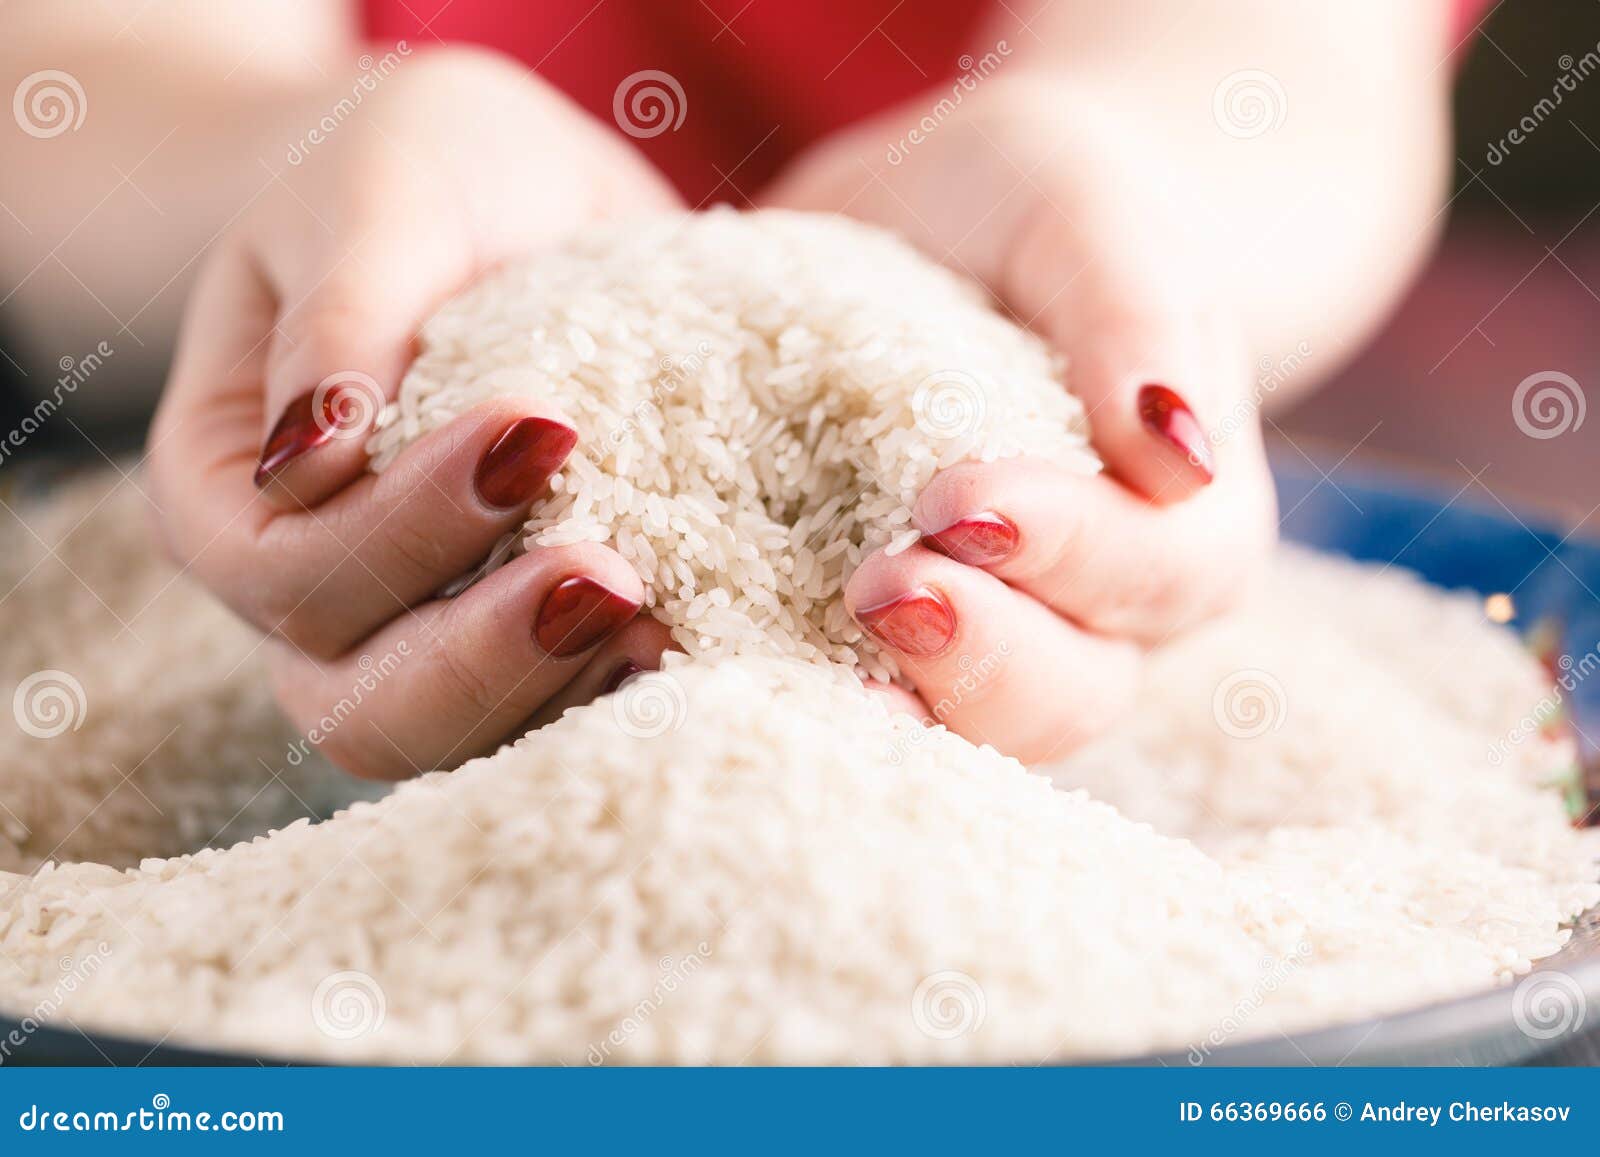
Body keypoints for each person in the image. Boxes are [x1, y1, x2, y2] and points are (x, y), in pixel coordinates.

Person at [0, 1, 1475, 778]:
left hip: (1032, 578)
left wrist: (1118, 203)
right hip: (239, 572)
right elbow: (72, 68)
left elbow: (1278, 57)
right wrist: (304, 174)